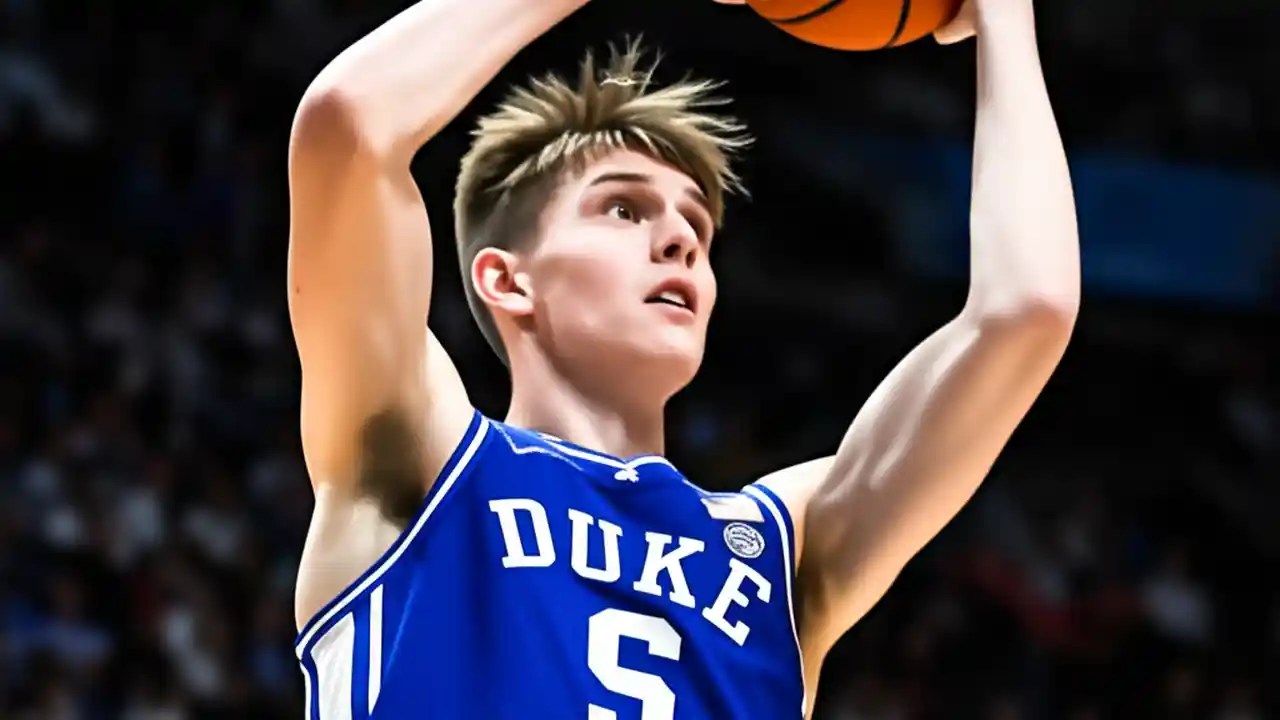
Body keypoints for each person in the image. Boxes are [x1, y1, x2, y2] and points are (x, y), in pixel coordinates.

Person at [284, 0, 1080, 717]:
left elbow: (1027, 309)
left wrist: (1007, 19)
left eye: (696, 232)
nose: (678, 241)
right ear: (506, 279)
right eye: (622, 208)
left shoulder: (783, 550)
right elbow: (349, 125)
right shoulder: (420, 461)